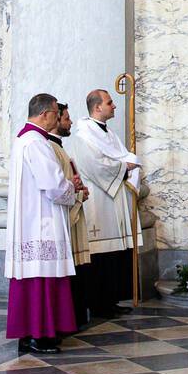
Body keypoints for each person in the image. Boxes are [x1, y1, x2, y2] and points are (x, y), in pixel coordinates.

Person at [5, 94, 80, 354]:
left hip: (31, 220)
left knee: (33, 278)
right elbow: (54, 186)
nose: (56, 119)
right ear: (46, 114)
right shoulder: (37, 142)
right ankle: (40, 335)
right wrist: (73, 188)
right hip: (41, 220)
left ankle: (30, 334)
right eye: (55, 115)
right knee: (43, 278)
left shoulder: (23, 140)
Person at [72, 88, 143, 318]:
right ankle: (99, 303)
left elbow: (119, 157)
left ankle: (111, 300)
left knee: (116, 253)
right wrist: (124, 167)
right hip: (99, 199)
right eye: (110, 102)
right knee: (101, 255)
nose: (114, 106)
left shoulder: (109, 133)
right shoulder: (84, 134)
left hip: (114, 196)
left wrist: (128, 163)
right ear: (97, 107)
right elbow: (94, 165)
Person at [49, 103, 93, 326]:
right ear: (55, 120)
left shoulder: (60, 148)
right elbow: (56, 186)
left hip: (72, 212)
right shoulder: (49, 148)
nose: (70, 122)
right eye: (66, 118)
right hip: (62, 216)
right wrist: (76, 193)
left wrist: (79, 190)